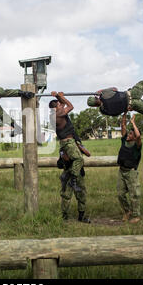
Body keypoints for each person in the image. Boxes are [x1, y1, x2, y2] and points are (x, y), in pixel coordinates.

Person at [49, 91, 91, 223]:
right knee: (79, 161)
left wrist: (58, 98)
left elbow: (64, 105)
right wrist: (61, 97)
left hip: (70, 146)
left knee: (81, 193)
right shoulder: (57, 114)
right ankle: (65, 217)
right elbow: (70, 106)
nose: (62, 105)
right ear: (56, 107)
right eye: (59, 105)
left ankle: (80, 216)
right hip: (68, 145)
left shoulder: (56, 114)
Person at [117, 113, 142, 224]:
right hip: (121, 171)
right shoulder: (124, 141)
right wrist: (125, 114)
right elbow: (123, 126)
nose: (128, 134)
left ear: (134, 137)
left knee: (134, 195)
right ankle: (127, 212)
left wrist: (133, 122)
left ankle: (136, 216)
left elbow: (139, 136)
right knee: (120, 194)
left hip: (131, 173)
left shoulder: (137, 146)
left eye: (130, 134)